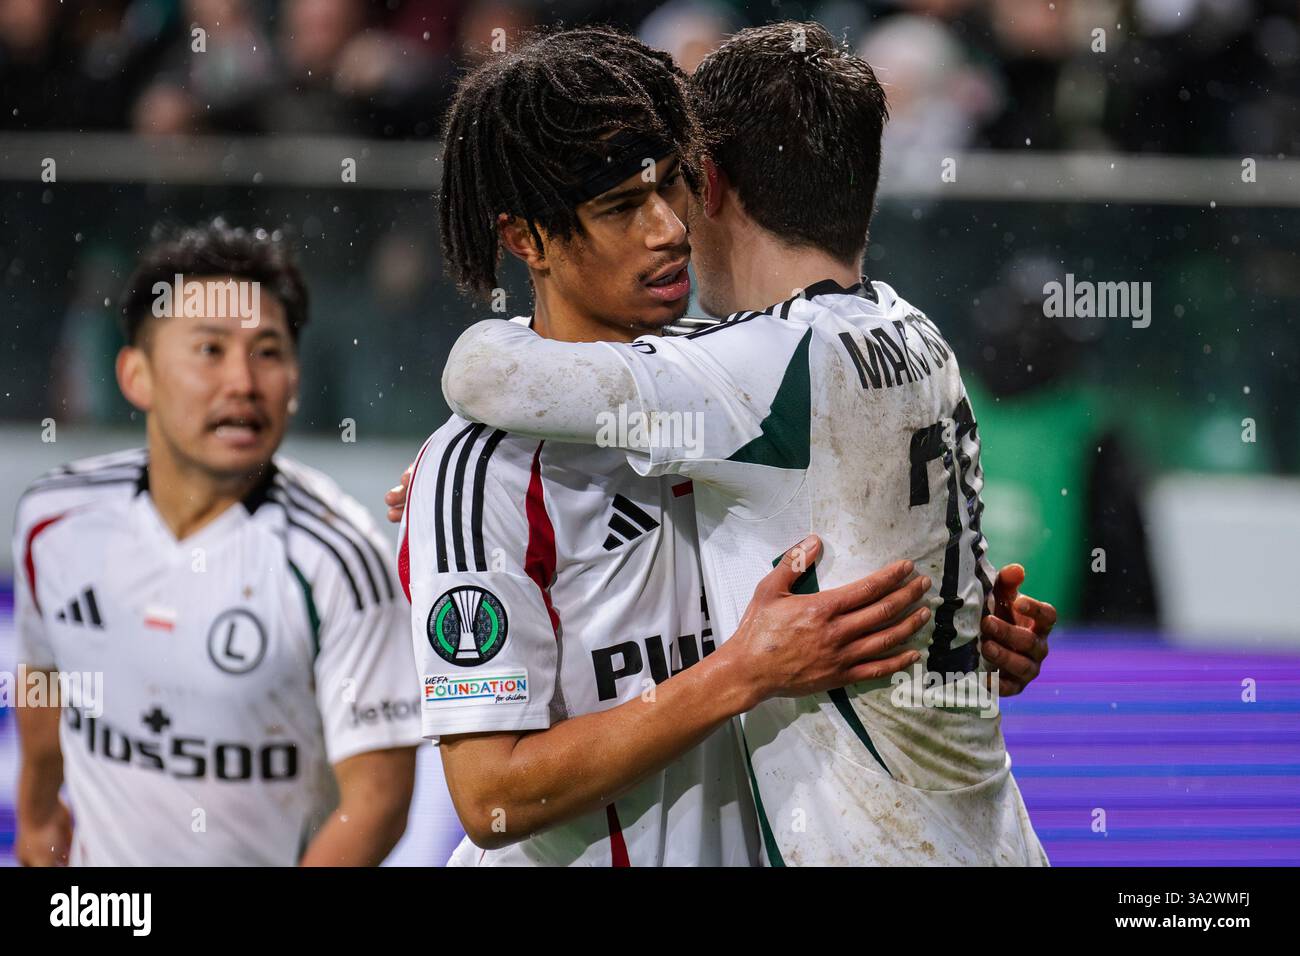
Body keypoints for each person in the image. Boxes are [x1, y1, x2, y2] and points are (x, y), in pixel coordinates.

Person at [393, 27, 1052, 866]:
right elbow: (490, 801)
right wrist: (738, 673)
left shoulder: (751, 391)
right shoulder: (481, 475)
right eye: (622, 207)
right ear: (527, 240)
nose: (668, 228)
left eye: (673, 186)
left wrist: (953, 630)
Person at [13, 221, 420, 866]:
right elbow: (44, 677)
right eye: (210, 350)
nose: (243, 382)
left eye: (267, 351)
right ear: (136, 376)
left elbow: (377, 803)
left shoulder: (340, 562)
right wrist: (36, 813)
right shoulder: (53, 520)